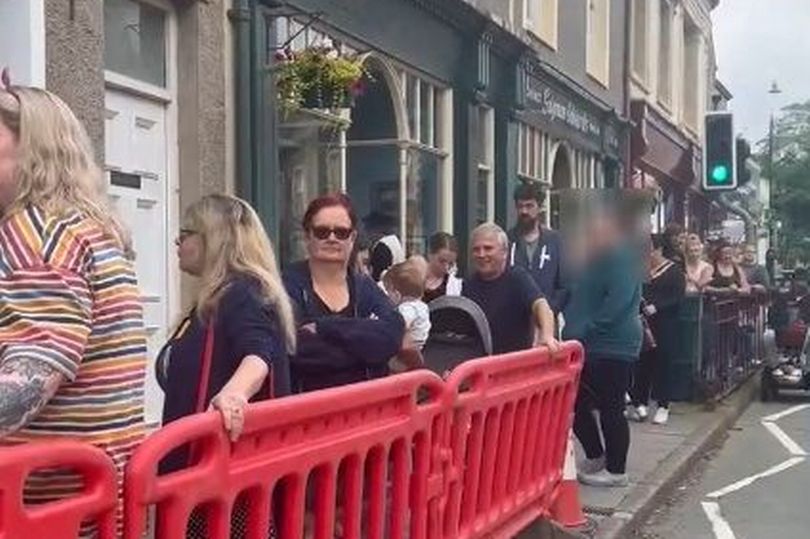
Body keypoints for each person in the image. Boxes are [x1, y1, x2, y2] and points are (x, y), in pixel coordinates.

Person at [0, 80, 146, 530]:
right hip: (94, 505)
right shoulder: (84, 227)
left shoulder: (35, 236)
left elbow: (28, 381)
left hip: (43, 511)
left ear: (33, 151)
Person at [158, 195, 295, 465]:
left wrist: (234, 394)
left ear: (213, 239)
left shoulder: (244, 293)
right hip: (199, 460)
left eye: (185, 234)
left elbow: (257, 355)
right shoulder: (218, 297)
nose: (177, 242)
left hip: (217, 468)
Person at [283, 194, 407, 392]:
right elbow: (294, 350)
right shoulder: (285, 286)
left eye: (341, 232)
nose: (332, 238)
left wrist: (325, 328)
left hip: (365, 406)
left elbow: (391, 335)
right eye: (322, 232)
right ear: (307, 236)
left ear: (352, 238)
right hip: (304, 407)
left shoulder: (365, 287)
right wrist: (364, 347)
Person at [563, 200, 643, 488]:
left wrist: (587, 328)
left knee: (611, 407)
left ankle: (616, 470)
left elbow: (618, 301)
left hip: (614, 344)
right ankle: (596, 455)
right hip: (588, 343)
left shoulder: (621, 256)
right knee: (575, 401)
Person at [462, 223, 559, 355]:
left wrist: (547, 336)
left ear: (504, 252)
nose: (481, 254)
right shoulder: (468, 284)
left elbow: (541, 305)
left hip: (514, 363)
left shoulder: (517, 278)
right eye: (476, 249)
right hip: (479, 363)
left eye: (488, 248)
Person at [629, 234, 686, 425]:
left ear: (659, 249)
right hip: (643, 323)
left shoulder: (674, 271)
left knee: (664, 363)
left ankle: (663, 405)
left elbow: (678, 297)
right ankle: (640, 402)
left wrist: (658, 306)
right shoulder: (640, 270)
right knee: (642, 363)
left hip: (665, 323)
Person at [508, 182, 567, 313]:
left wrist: (550, 310)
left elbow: (564, 284)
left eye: (529, 206)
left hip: (547, 317)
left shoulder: (556, 241)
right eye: (520, 206)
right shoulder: (507, 241)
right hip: (513, 317)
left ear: (539, 207)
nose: (524, 211)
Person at [382, 260, 431, 373]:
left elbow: (400, 324)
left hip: (404, 355)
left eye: (388, 291)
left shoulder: (407, 308)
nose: (387, 296)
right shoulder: (422, 306)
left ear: (396, 294)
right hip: (419, 348)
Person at [423, 232, 462, 302]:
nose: (446, 267)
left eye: (451, 263)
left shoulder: (455, 286)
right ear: (430, 254)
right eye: (442, 261)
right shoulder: (414, 278)